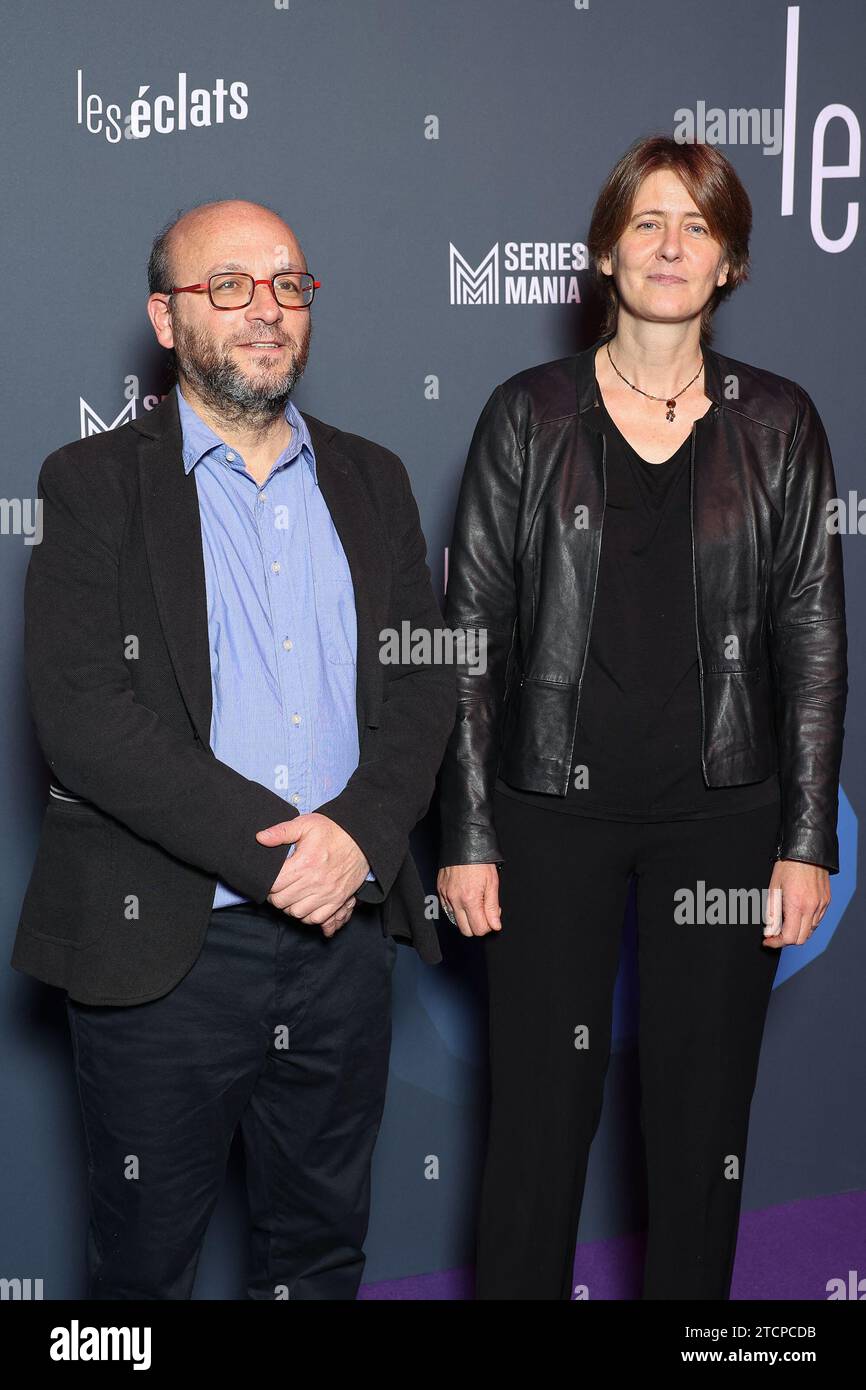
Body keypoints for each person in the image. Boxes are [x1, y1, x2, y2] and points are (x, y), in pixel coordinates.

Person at [12, 197, 456, 1300]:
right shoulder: (91, 483)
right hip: (166, 952)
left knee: (317, 1258)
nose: (265, 310)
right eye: (229, 286)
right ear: (166, 320)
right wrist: (282, 862)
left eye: (287, 285)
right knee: (142, 1273)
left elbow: (422, 681)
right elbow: (85, 719)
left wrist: (355, 837)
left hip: (342, 951)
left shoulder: (373, 479)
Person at [437, 135, 847, 1300]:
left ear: (728, 264)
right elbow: (470, 636)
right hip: (544, 814)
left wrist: (802, 837)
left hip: (721, 817)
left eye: (697, 226)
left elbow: (811, 639)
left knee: (700, 1123)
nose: (670, 245)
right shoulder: (525, 414)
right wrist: (466, 831)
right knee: (534, 1124)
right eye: (647, 222)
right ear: (603, 252)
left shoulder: (778, 423)